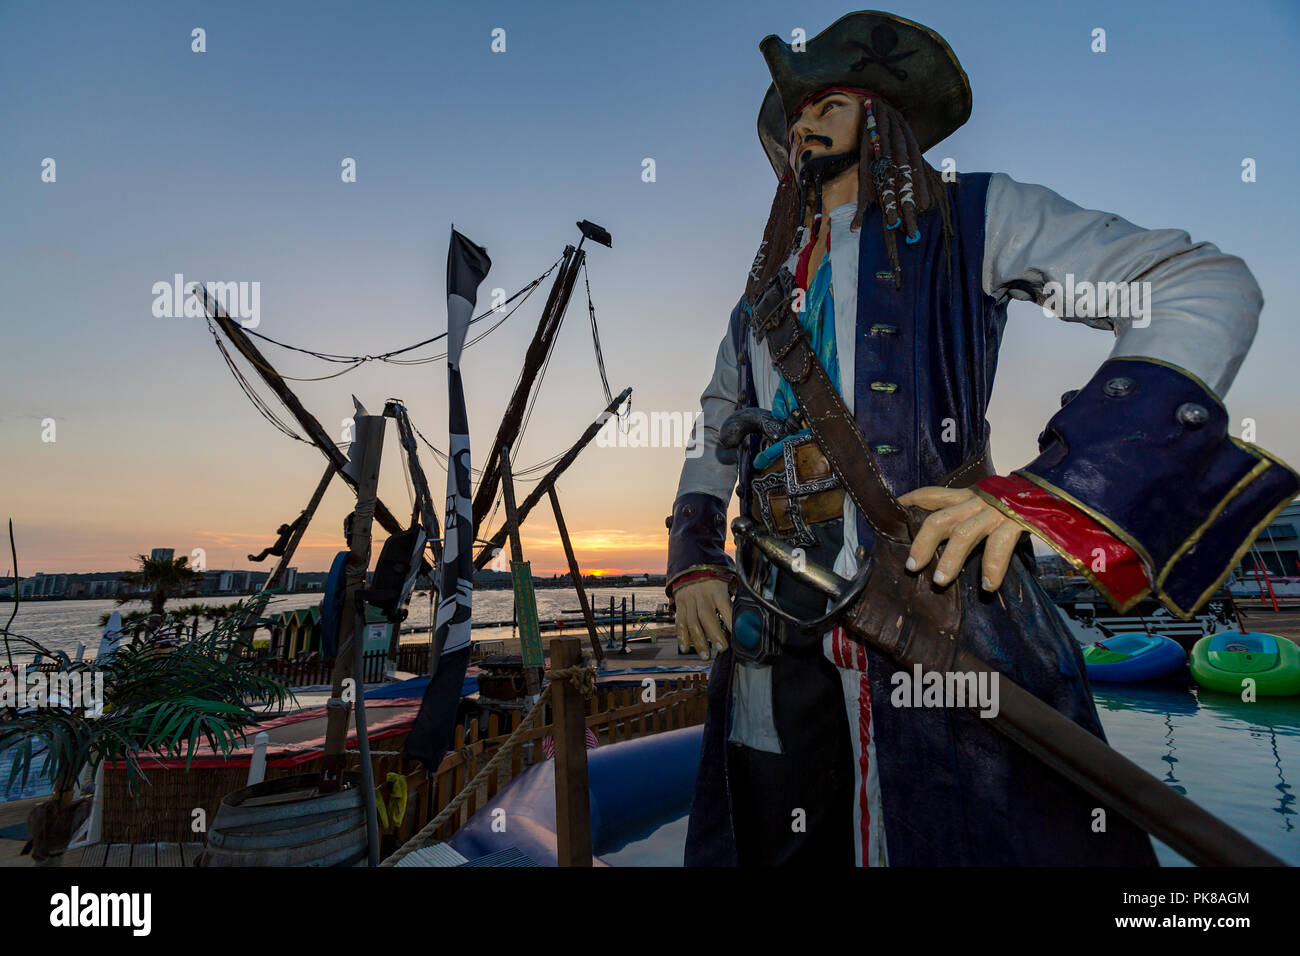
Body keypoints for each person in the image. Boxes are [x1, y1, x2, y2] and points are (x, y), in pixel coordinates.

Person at [665, 10, 1298, 866]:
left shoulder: (973, 216)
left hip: (940, 603)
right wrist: (694, 560)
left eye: (834, 102)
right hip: (778, 623)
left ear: (883, 119)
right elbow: (713, 433)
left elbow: (1194, 282)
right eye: (797, 113)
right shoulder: (759, 304)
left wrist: (1055, 490)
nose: (807, 120)